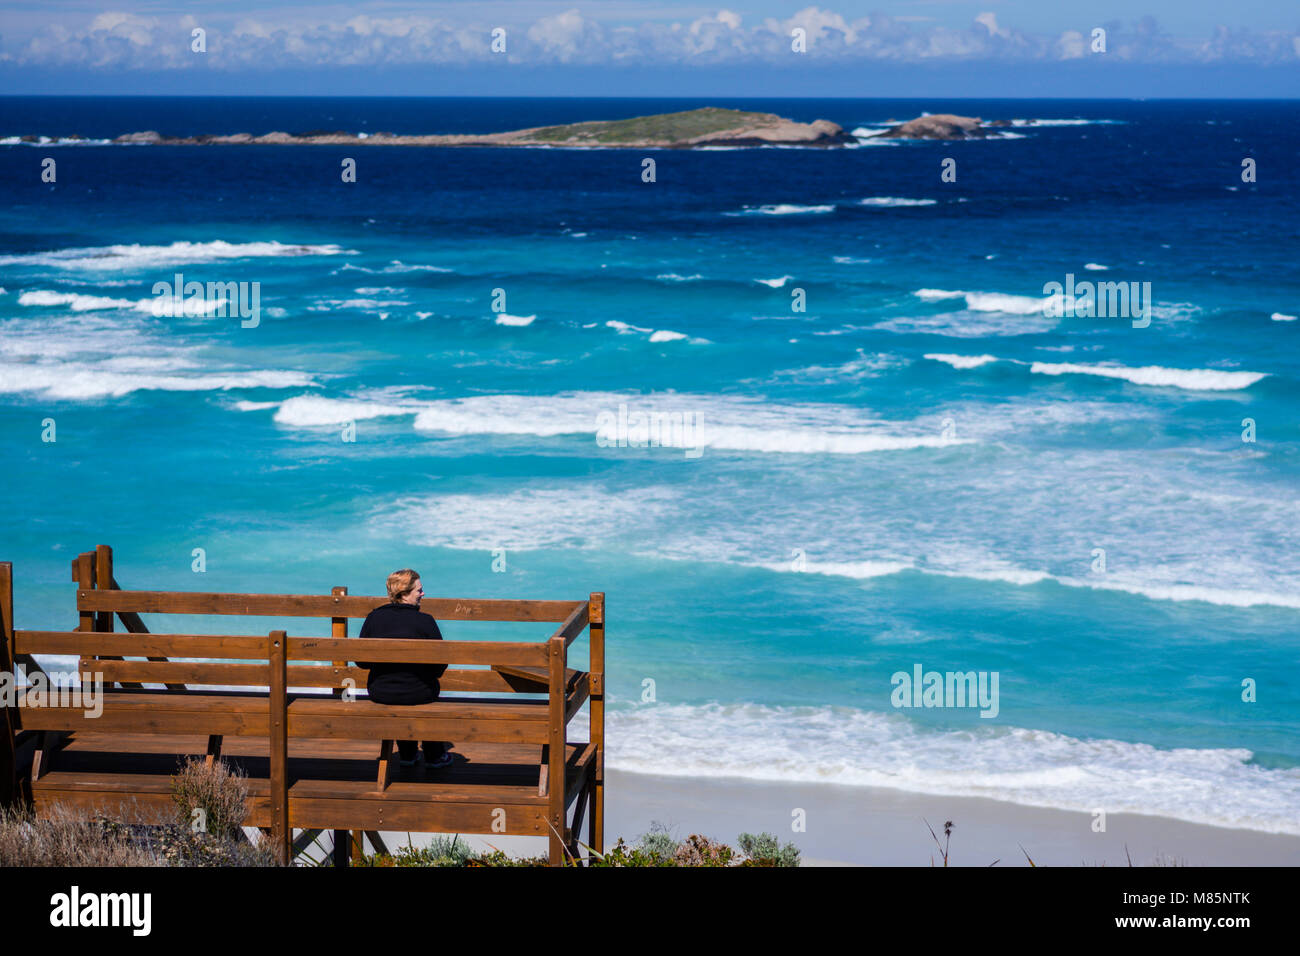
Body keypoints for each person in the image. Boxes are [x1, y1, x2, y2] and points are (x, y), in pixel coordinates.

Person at [357, 568, 453, 769]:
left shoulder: (374, 618)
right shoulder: (425, 621)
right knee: (423, 690)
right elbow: (439, 667)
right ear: (404, 593)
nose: (423, 594)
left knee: (404, 692)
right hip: (419, 693)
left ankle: (408, 754)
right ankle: (434, 756)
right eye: (419, 590)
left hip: (380, 692)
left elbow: (361, 661)